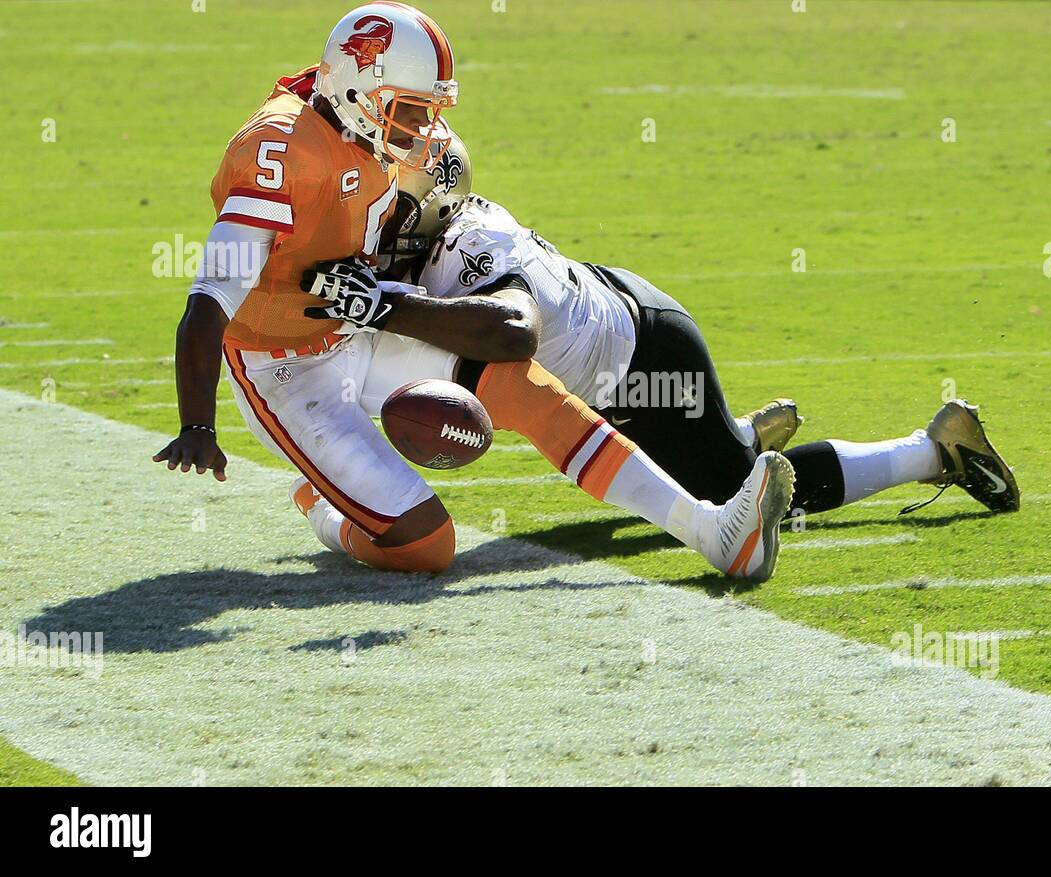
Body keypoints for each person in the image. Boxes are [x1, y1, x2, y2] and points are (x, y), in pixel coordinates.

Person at [152, 4, 795, 582]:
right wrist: (198, 423)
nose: (420, 129)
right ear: (359, 89)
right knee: (428, 548)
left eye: (430, 111)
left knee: (522, 383)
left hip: (351, 328)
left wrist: (374, 301)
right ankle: (326, 510)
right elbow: (208, 301)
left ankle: (711, 531)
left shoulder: (361, 122)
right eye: (409, 110)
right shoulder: (278, 153)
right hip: (283, 369)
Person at [379, 131, 1021, 520]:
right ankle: (742, 433)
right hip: (608, 346)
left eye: (393, 206)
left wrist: (389, 306)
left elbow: (514, 333)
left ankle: (937, 449)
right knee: (680, 479)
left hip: (647, 357)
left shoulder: (469, 245)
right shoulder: (434, 239)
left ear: (432, 202)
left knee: (737, 497)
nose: (380, 218)